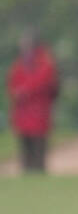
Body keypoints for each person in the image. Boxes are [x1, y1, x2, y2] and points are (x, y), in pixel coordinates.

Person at [6, 33, 59, 172]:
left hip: (39, 112)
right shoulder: (19, 64)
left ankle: (38, 172)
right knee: (25, 148)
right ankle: (27, 173)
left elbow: (44, 81)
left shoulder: (45, 63)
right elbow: (12, 83)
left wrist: (25, 91)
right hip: (22, 114)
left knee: (38, 147)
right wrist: (17, 92)